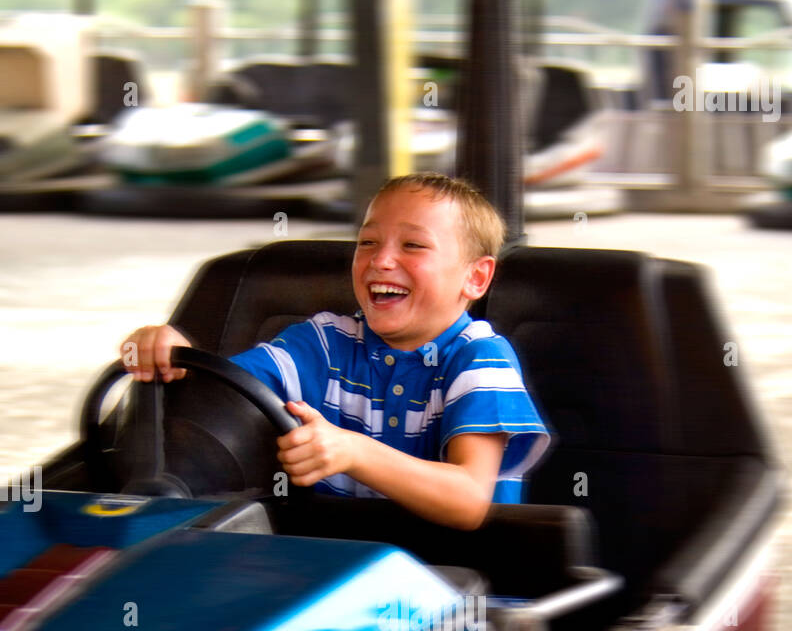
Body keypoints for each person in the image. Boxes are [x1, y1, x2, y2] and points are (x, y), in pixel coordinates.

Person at [123, 173, 549, 530]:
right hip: (334, 568)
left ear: (476, 278)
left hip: (460, 580)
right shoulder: (325, 343)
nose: (381, 260)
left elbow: (468, 499)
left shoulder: (479, 360)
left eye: (413, 246)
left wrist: (353, 451)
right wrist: (168, 353)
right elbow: (219, 393)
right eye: (367, 243)